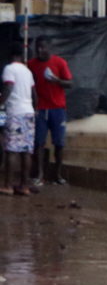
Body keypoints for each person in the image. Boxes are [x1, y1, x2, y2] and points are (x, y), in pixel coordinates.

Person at [27, 37, 73, 186]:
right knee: (38, 142)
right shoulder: (31, 64)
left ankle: (58, 174)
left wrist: (57, 81)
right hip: (40, 108)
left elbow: (69, 83)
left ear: (49, 48)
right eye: (38, 48)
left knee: (59, 143)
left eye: (43, 48)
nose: (40, 50)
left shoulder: (59, 63)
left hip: (57, 108)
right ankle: (40, 174)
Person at [2, 47, 34, 196]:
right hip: (29, 112)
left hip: (15, 112)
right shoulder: (28, 72)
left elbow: (8, 86)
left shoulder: (9, 68)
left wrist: (1, 103)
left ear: (11, 57)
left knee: (11, 150)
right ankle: (24, 186)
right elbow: (34, 93)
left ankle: (8, 185)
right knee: (26, 151)